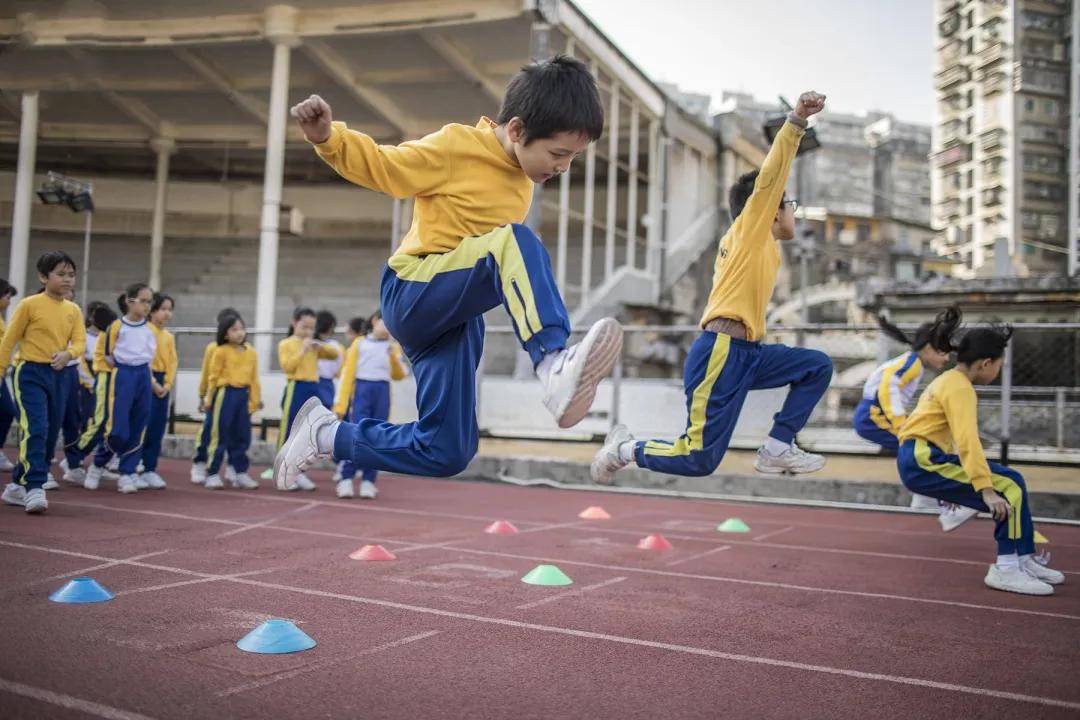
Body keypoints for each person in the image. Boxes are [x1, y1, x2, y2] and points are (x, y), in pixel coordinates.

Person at [275, 55, 622, 488]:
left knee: (447, 448)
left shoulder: (522, 177)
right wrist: (329, 138)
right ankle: (552, 361)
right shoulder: (457, 146)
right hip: (413, 290)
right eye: (558, 153)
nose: (563, 167)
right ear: (516, 130)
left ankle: (325, 433)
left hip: (454, 318)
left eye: (573, 157)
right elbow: (388, 167)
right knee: (515, 241)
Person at [592, 91, 832, 484]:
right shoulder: (750, 231)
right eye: (792, 205)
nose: (795, 212)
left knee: (816, 366)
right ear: (771, 208)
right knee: (698, 460)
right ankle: (624, 448)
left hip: (748, 354)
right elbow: (771, 177)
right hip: (721, 352)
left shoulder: (762, 246)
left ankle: (776, 447)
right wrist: (796, 122)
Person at [897, 323, 1065, 595]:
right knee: (1006, 488)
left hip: (920, 456)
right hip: (923, 459)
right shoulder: (960, 387)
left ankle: (1022, 558)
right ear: (986, 363)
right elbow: (968, 441)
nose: (999, 371)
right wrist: (985, 489)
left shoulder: (949, 380)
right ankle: (1007, 568)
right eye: (1000, 365)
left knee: (1013, 480)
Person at [856, 307, 977, 531]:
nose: (947, 357)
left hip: (874, 415)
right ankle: (943, 504)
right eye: (943, 352)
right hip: (873, 416)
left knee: (917, 452)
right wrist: (901, 422)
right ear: (928, 349)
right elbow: (888, 386)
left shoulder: (913, 364)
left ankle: (924, 499)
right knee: (923, 450)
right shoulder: (911, 363)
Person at [0, 251, 86, 514]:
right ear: (43, 277)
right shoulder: (29, 304)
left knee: (49, 433)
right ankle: (35, 486)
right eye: (60, 274)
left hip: (59, 376)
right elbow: (9, 340)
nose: (67, 279)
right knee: (36, 427)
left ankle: (16, 485)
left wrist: (68, 354)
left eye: (71, 274)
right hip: (29, 374)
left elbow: (80, 342)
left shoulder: (73, 309)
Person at [84, 283, 156, 494]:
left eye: (149, 302)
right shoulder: (116, 326)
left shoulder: (149, 329)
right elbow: (108, 354)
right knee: (118, 428)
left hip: (143, 374)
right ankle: (98, 464)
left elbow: (150, 356)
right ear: (129, 301)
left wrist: (147, 378)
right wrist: (123, 369)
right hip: (122, 374)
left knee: (139, 424)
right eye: (143, 301)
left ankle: (127, 472)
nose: (146, 306)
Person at [332, 310, 406, 499]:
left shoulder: (393, 346)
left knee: (378, 435)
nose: (388, 328)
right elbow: (347, 375)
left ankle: (368, 481)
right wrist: (340, 406)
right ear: (374, 321)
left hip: (382, 391)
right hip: (362, 391)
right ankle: (346, 477)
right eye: (385, 322)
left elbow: (399, 375)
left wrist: (392, 357)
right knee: (357, 433)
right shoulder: (360, 343)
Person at [277, 307, 339, 491]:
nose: (308, 332)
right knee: (290, 430)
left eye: (311, 328)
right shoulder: (286, 344)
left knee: (308, 432)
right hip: (296, 387)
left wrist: (320, 346)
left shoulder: (313, 345)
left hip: (313, 388)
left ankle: (298, 473)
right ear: (294, 323)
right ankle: (283, 473)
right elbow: (288, 367)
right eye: (304, 327)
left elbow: (334, 354)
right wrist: (302, 350)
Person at [202, 314, 260, 490]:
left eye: (241, 328)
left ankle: (240, 472)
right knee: (220, 433)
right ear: (225, 334)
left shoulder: (251, 352)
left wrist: (254, 401)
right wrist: (208, 398)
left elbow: (254, 379)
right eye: (234, 329)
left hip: (243, 395)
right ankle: (212, 473)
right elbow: (213, 376)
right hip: (225, 394)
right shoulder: (221, 351)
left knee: (242, 435)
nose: (239, 332)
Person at [63, 303, 117, 486]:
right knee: (97, 423)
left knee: (106, 424)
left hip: (106, 382)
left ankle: (99, 462)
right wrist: (91, 384)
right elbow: (84, 364)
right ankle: (74, 457)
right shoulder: (94, 337)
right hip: (94, 384)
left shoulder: (106, 335)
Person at [191, 307, 240, 485]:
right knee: (209, 431)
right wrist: (203, 396)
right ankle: (199, 462)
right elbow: (207, 373)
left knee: (233, 433)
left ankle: (232, 466)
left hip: (235, 398)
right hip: (217, 395)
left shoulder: (244, 350)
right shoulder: (213, 348)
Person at [139, 292, 177, 489]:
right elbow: (144, 359)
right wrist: (153, 382)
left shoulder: (168, 337)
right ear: (152, 310)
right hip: (146, 379)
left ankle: (149, 468)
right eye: (163, 309)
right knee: (141, 425)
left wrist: (167, 385)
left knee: (157, 427)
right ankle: (133, 464)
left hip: (162, 382)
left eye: (170, 310)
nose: (167, 313)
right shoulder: (145, 330)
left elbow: (172, 362)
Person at [0, 279, 18, 473]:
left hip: (2, 372)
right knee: (7, 410)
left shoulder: (1, 318)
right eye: (7, 296)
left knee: (6, 411)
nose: (9, 301)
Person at [314, 309, 343, 410]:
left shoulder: (310, 344)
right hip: (325, 382)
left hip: (322, 382)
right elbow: (338, 368)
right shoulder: (336, 346)